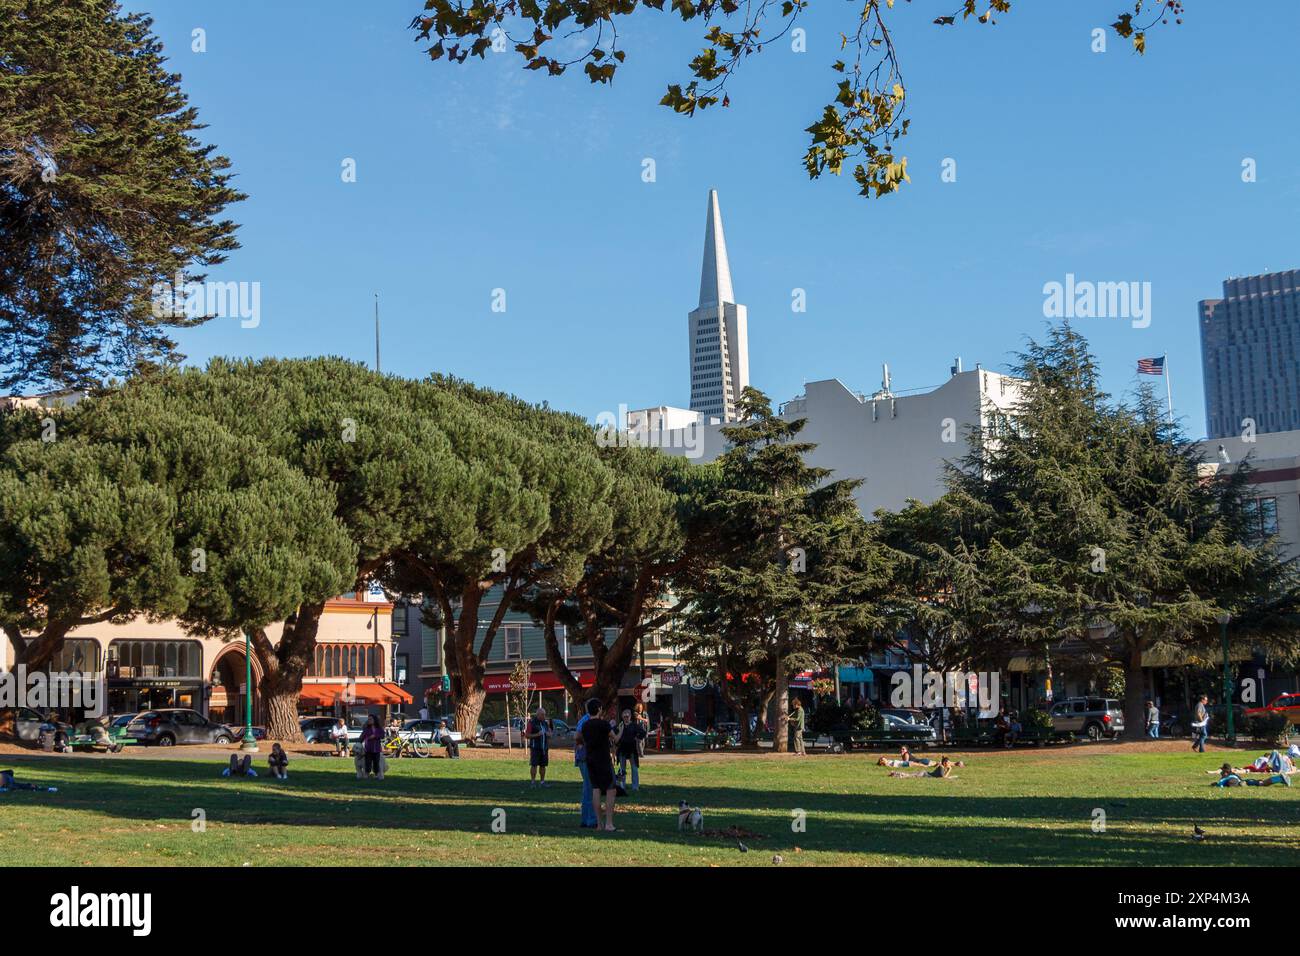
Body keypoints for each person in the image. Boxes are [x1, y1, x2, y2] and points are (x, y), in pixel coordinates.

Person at [581, 698, 619, 831]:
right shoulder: (604, 724)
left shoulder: (585, 726)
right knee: (610, 790)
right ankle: (609, 823)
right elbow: (615, 738)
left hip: (590, 760)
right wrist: (623, 730)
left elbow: (582, 740)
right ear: (598, 709)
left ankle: (599, 824)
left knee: (595, 790)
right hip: (603, 760)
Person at [574, 704, 598, 829]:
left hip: (584, 758)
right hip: (585, 758)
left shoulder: (585, 719)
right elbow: (577, 736)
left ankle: (585, 819)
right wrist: (586, 743)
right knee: (590, 789)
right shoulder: (587, 720)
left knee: (587, 789)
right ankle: (591, 820)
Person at [615, 708, 646, 791]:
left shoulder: (634, 725)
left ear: (630, 716)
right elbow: (614, 736)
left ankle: (635, 787)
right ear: (622, 716)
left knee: (634, 768)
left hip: (632, 749)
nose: (626, 717)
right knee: (622, 769)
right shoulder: (620, 725)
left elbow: (643, 732)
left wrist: (637, 738)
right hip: (622, 749)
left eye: (627, 716)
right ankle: (622, 786)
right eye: (624, 716)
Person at [1211, 762, 1291, 788]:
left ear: (1226, 772)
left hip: (1247, 783)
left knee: (1262, 783)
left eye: (1222, 771)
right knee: (1262, 782)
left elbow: (1222, 785)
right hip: (1247, 781)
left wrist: (1216, 784)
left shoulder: (1228, 777)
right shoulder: (1232, 775)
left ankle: (1280, 778)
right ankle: (1279, 778)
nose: (1221, 773)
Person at [525, 707, 550, 786]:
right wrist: (537, 734)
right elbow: (527, 735)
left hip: (544, 748)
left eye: (544, 714)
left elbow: (549, 732)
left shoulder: (545, 723)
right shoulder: (532, 723)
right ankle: (533, 782)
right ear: (538, 715)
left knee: (543, 765)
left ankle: (542, 781)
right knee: (534, 765)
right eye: (542, 714)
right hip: (535, 747)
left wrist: (549, 734)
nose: (544, 716)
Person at [889, 755, 963, 779]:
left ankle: (895, 774)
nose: (949, 764)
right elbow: (943, 778)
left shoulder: (942, 767)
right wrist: (949, 770)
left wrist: (952, 776)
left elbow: (943, 777)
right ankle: (895, 774)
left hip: (925, 774)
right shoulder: (941, 767)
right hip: (924, 774)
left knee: (909, 775)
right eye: (948, 762)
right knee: (909, 775)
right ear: (944, 763)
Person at [360, 714, 384, 779]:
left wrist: (375, 736)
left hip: (376, 749)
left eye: (370, 719)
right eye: (368, 719)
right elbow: (362, 737)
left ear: (374, 720)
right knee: (368, 762)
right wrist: (359, 742)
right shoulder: (366, 728)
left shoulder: (379, 728)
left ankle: (376, 774)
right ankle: (367, 774)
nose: (369, 720)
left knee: (376, 762)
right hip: (368, 748)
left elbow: (382, 735)